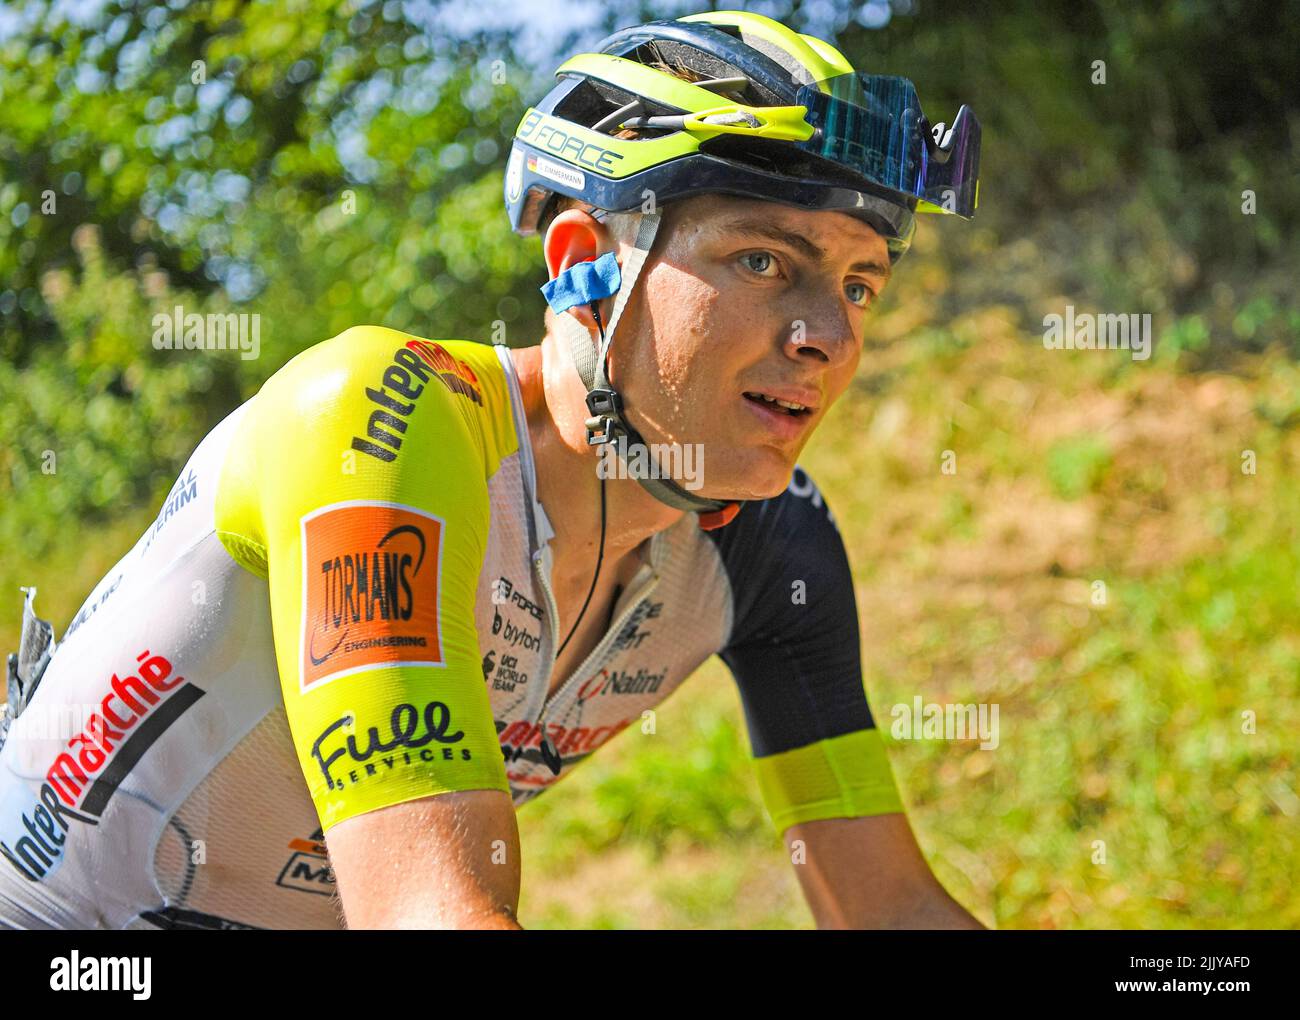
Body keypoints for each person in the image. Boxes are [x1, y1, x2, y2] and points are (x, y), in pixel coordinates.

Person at [0, 9, 982, 930]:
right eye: (764, 261)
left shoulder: (774, 547)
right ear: (582, 264)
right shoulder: (379, 419)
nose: (825, 336)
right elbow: (430, 912)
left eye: (860, 285)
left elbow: (889, 907)